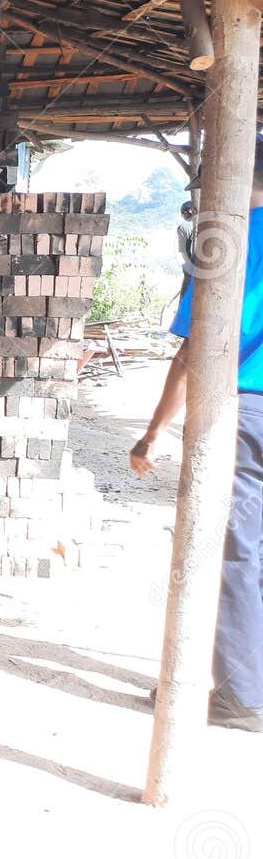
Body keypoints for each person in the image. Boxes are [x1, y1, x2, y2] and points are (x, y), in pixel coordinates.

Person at [131, 150, 263, 732]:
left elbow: (196, 354)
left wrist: (152, 433)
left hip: (245, 409)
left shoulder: (231, 243)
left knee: (232, 549)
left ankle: (237, 694)